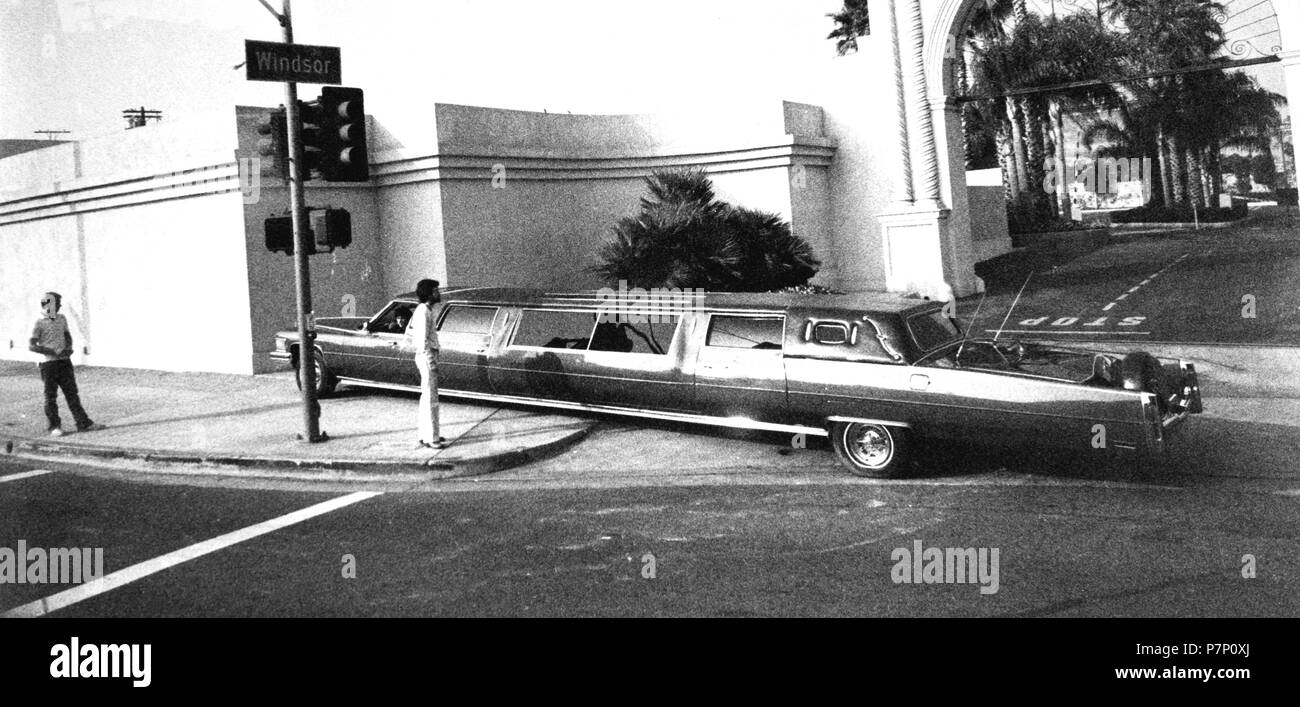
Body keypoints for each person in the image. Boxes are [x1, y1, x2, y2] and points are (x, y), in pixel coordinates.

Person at [28, 292, 102, 436]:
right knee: (50, 397)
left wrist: (68, 348)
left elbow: (67, 335)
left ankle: (83, 423)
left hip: (64, 362)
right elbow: (32, 345)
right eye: (57, 303)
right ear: (48, 304)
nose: (60, 306)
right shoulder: (37, 321)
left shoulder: (61, 318)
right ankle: (54, 427)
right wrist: (52, 352)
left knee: (72, 394)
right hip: (48, 364)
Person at [407, 279, 446, 449]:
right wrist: (432, 362)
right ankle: (433, 438)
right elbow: (422, 342)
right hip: (426, 357)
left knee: (426, 397)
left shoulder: (424, 310)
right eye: (436, 290)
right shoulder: (423, 312)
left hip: (426, 357)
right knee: (431, 399)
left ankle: (425, 435)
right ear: (430, 293)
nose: (439, 293)